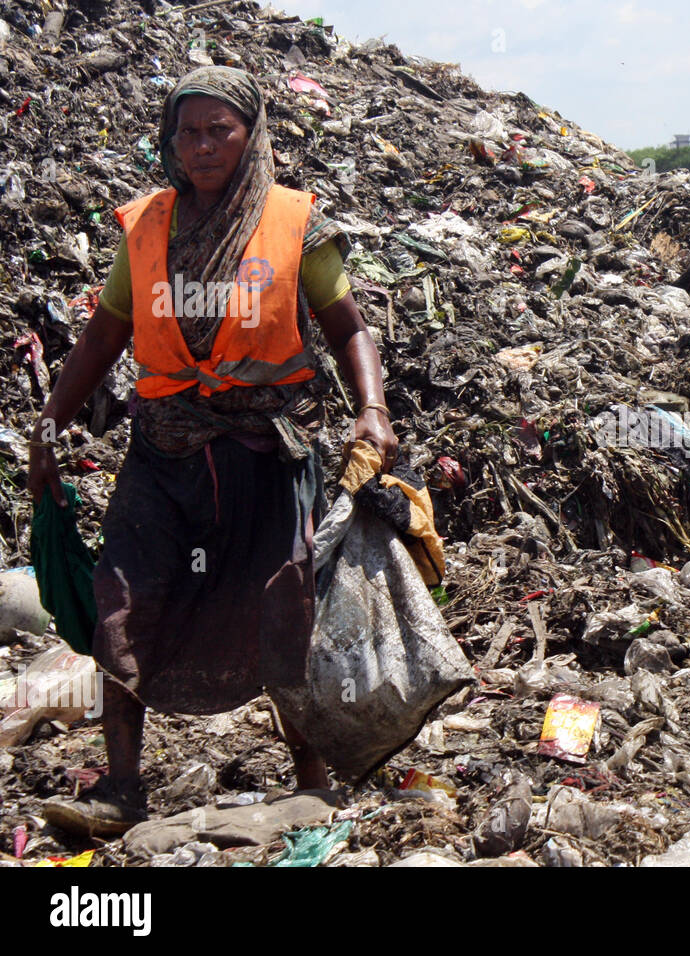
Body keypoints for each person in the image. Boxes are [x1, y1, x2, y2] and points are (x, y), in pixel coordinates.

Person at [27, 67, 397, 836]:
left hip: (264, 449)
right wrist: (52, 417)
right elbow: (104, 333)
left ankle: (310, 781)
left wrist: (372, 408)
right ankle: (120, 790)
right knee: (124, 596)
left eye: (218, 130)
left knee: (280, 605)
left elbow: (347, 326)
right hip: (164, 448)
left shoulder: (294, 224)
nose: (200, 146)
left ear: (251, 134)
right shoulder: (149, 228)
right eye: (186, 132)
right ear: (170, 141)